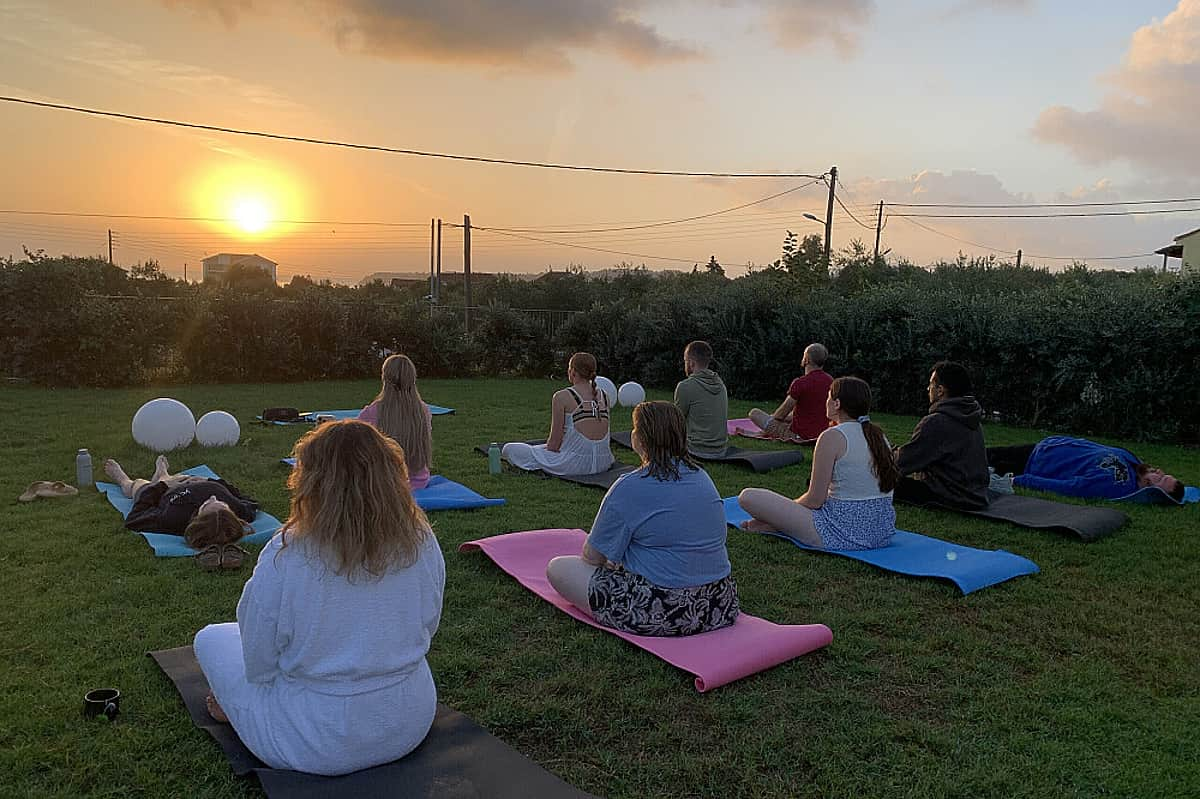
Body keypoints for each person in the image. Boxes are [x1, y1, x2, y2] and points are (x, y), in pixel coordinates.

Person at [193, 420, 445, 776]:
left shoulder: (288, 551)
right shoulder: (421, 538)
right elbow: (427, 624)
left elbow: (258, 663)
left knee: (210, 638)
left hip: (313, 740)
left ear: (312, 481)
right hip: (407, 720)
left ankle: (238, 713)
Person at [546, 401, 739, 637]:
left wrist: (611, 563)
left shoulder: (630, 486)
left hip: (664, 610)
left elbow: (592, 557)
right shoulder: (702, 478)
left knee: (559, 567)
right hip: (719, 603)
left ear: (639, 439)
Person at [738, 377, 897, 550]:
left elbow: (815, 500)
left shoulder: (832, 437)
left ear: (836, 404)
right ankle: (777, 526)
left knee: (747, 496)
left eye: (828, 397)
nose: (826, 401)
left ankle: (777, 525)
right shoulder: (880, 437)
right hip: (880, 533)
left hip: (840, 533)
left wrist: (786, 511)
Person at [104, 455, 256, 566]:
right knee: (167, 477)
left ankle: (125, 479)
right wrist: (212, 481)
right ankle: (162, 472)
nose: (213, 497)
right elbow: (244, 497)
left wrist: (162, 486)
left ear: (198, 516)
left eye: (208, 504)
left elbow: (134, 519)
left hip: (164, 491)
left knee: (138, 486)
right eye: (222, 504)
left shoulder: (174, 517)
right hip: (191, 479)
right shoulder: (239, 509)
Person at [892, 361, 990, 510]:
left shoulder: (937, 422)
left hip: (949, 495)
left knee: (878, 479)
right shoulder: (971, 417)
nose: (927, 389)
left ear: (940, 390)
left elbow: (901, 464)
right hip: (976, 494)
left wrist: (884, 451)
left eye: (931, 384)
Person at [503, 352, 614, 476]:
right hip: (603, 462)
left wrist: (542, 452)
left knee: (509, 449)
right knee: (539, 448)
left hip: (574, 465)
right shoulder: (605, 395)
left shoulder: (562, 396)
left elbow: (554, 445)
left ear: (572, 372)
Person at [987, 436, 1185, 502]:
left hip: (1033, 464)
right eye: (1163, 473)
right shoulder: (1134, 462)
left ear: (1151, 487)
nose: (1158, 471)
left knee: (975, 461)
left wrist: (1020, 480)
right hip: (1044, 447)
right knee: (981, 451)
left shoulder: (1116, 486)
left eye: (1160, 478)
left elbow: (1069, 488)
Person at [358, 353, 433, 490]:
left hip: (383, 484)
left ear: (384, 378)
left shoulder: (370, 413)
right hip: (419, 482)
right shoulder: (423, 411)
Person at [748, 343, 833, 442]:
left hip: (798, 436)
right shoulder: (830, 381)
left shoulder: (801, 383)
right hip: (820, 434)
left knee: (754, 413)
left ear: (806, 360)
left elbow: (780, 415)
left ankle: (767, 430)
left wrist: (771, 418)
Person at [673, 340, 729, 457]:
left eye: (685, 361)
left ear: (691, 363)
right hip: (720, 450)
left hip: (695, 449)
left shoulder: (685, 386)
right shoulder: (721, 385)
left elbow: (676, 421)